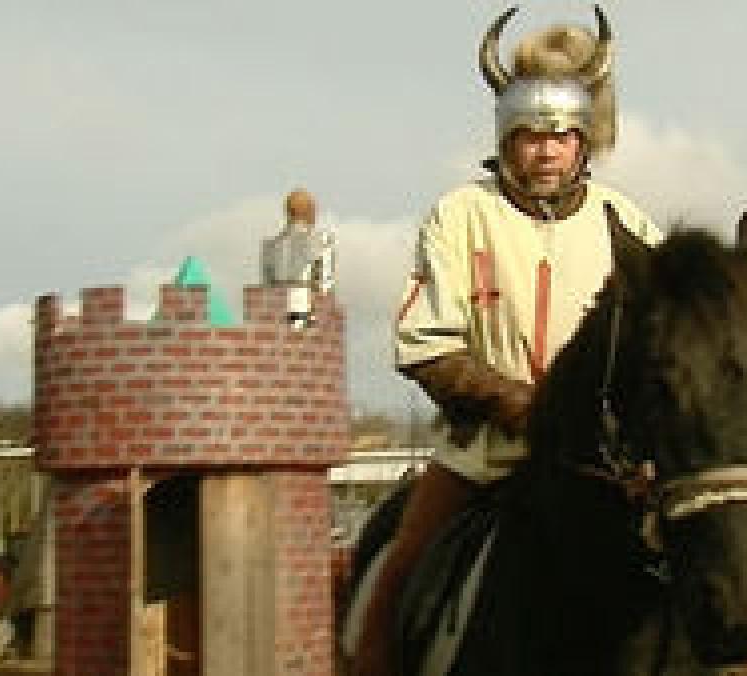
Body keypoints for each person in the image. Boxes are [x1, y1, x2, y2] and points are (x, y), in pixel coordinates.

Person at [349, 7, 664, 675]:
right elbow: (426, 344)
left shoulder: (629, 224)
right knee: (398, 570)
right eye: (528, 135)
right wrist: (522, 403)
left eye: (561, 135)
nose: (545, 150)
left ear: (585, 140)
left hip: (608, 473)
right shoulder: (462, 214)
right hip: (486, 454)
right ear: (505, 137)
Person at [261, 188, 336, 328]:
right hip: (308, 317)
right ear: (309, 212)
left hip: (276, 320)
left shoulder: (269, 246)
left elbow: (266, 290)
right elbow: (325, 290)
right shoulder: (322, 242)